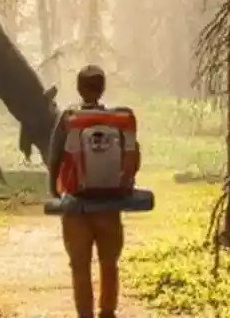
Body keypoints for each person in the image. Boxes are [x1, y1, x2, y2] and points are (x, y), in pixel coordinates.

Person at [47, 64, 139, 318]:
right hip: (110, 205)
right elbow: (134, 159)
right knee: (109, 264)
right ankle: (107, 312)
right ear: (102, 89)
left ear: (79, 89)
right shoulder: (120, 121)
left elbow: (54, 158)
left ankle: (85, 314)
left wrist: (55, 191)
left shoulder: (69, 119)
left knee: (79, 265)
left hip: (76, 204)